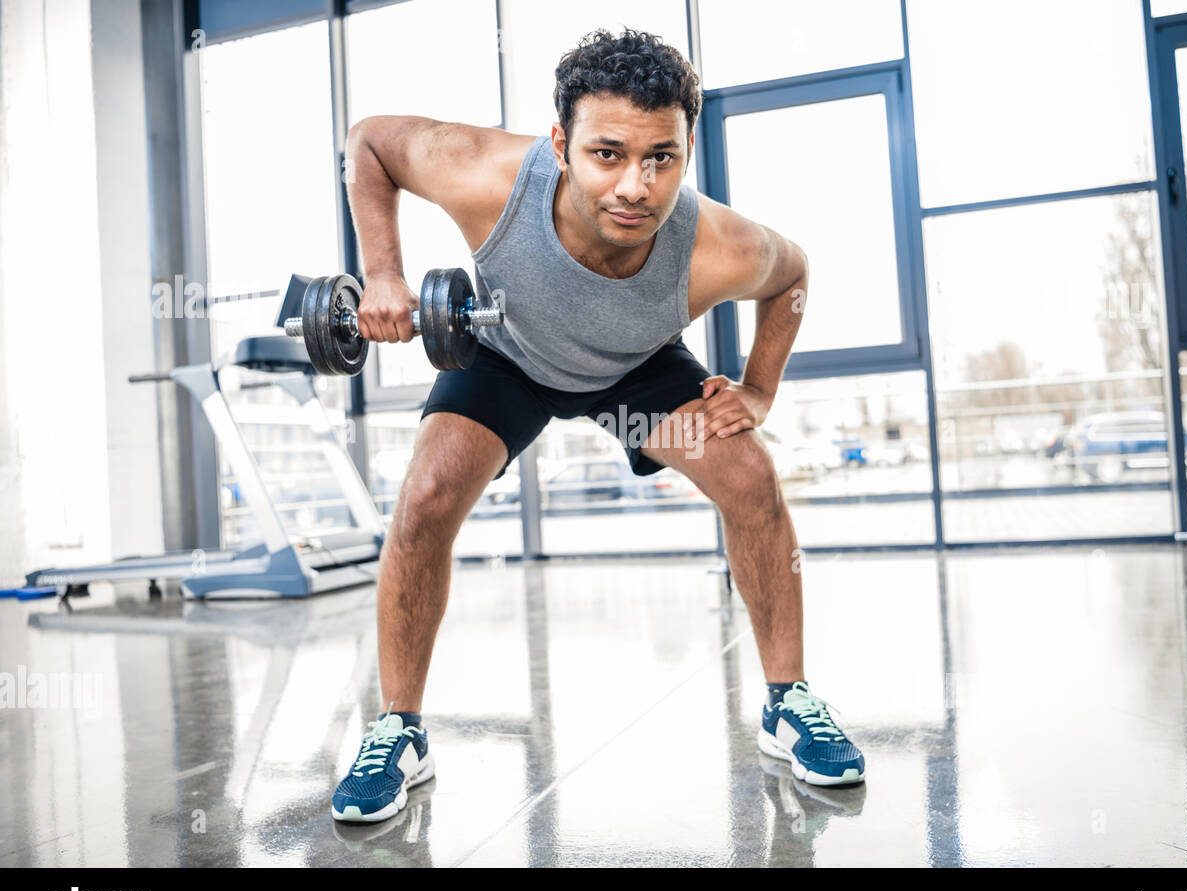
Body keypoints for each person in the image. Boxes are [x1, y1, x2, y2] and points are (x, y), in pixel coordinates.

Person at [331, 27, 864, 823]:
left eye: (661, 158)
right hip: (506, 357)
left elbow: (792, 275)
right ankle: (398, 728)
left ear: (686, 152)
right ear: (561, 142)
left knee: (751, 476)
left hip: (636, 376)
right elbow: (369, 142)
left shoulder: (715, 245)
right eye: (607, 154)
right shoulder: (487, 176)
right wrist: (381, 272)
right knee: (427, 494)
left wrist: (757, 390)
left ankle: (788, 703)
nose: (636, 186)